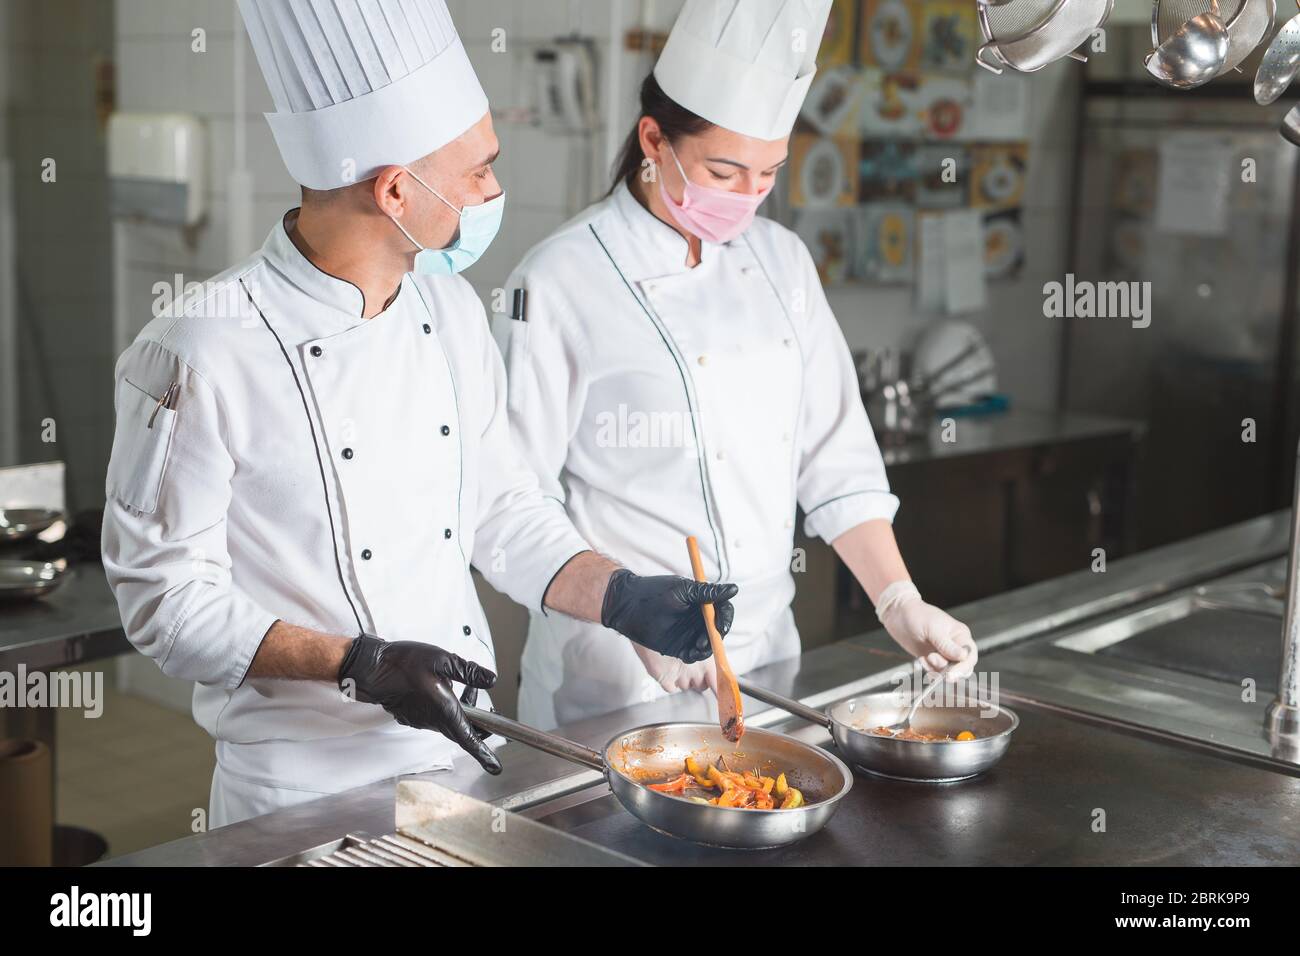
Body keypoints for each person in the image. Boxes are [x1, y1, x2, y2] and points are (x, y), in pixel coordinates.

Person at [101, 0, 736, 828]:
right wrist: (358, 663)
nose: (495, 189)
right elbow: (166, 604)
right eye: (479, 170)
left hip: (458, 763)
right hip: (293, 791)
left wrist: (620, 597)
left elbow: (501, 510)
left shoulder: (451, 312)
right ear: (396, 190)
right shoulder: (198, 349)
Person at [498, 0, 976, 729]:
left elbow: (836, 456)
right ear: (653, 139)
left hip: (768, 666)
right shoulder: (561, 278)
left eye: (768, 174)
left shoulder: (782, 261)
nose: (748, 198)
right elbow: (513, 502)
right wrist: (624, 603)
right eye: (725, 170)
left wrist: (897, 600)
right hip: (614, 682)